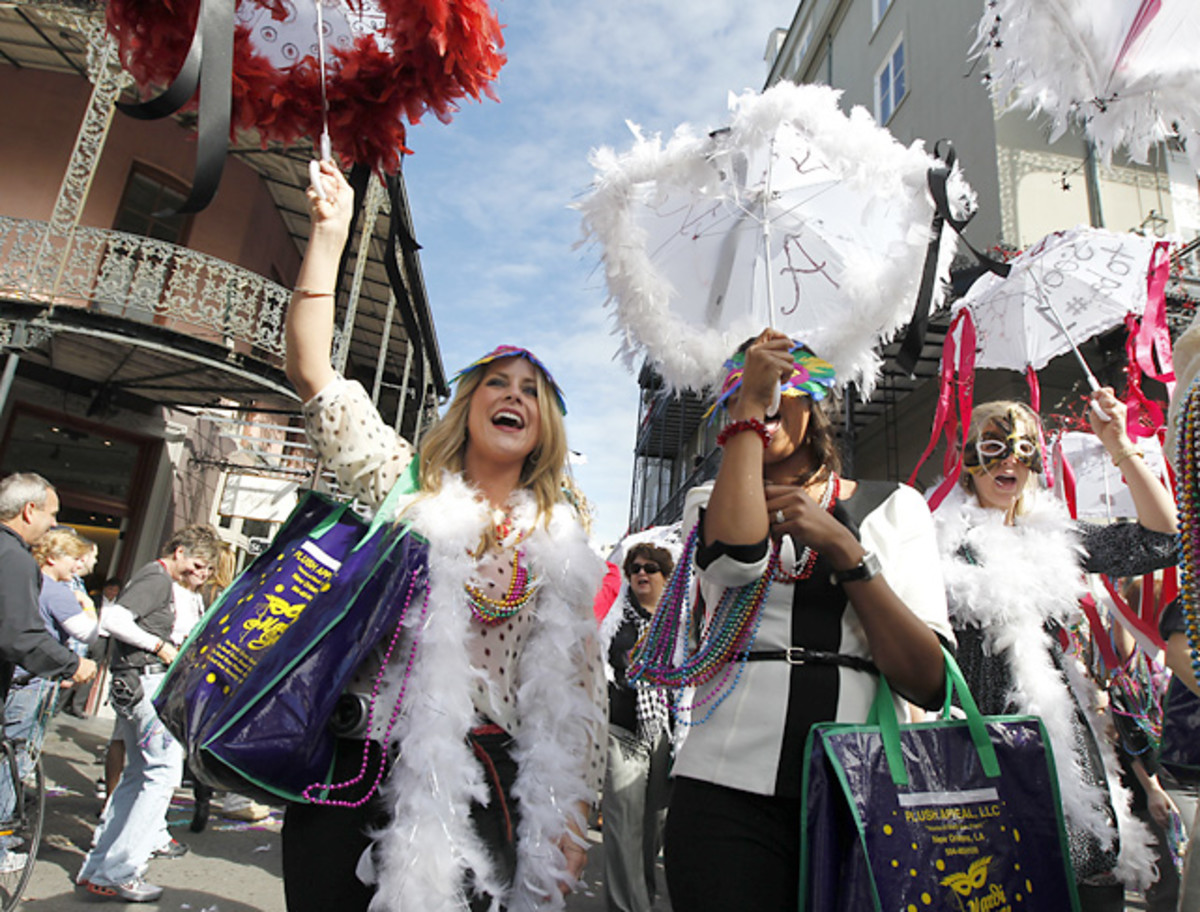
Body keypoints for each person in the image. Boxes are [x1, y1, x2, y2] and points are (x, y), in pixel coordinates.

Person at [280, 160, 606, 912]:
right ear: (470, 404)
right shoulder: (401, 485)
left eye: (532, 390)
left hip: (481, 788)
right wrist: (329, 233)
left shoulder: (560, 544)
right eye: (498, 381)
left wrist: (572, 823)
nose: (514, 396)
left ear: (544, 427)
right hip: (356, 766)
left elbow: (578, 702)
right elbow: (311, 371)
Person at [653, 330, 952, 912]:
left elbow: (928, 680)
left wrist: (848, 554)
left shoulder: (897, 506)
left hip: (860, 793)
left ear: (814, 401)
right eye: (742, 385)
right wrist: (750, 413)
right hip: (723, 792)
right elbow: (737, 562)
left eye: (776, 383)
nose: (762, 393)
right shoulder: (708, 503)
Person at [933, 394, 1177, 912]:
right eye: (995, 447)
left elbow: (1162, 541)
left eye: (1024, 449)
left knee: (1084, 860)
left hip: (1057, 729)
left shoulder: (1055, 535)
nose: (1010, 461)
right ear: (968, 458)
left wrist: (1118, 445)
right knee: (991, 876)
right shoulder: (936, 536)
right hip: (977, 723)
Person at [76, 524, 219, 903]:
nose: (201, 575)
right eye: (198, 565)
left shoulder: (163, 581)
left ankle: (101, 866)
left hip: (139, 685)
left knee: (139, 776)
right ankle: (119, 870)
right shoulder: (156, 578)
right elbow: (113, 620)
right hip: (149, 684)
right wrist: (160, 646)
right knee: (159, 775)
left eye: (207, 570)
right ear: (179, 553)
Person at [0, 474, 96, 875]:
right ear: (29, 511)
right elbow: (19, 632)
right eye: (51, 514)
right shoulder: (15, 557)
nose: (52, 524)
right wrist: (73, 665)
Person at [603, 542, 674, 912]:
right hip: (622, 730)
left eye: (650, 568)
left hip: (666, 732)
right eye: (635, 569)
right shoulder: (616, 619)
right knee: (623, 828)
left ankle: (643, 895)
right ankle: (627, 906)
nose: (641, 574)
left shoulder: (681, 620)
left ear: (666, 576)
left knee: (653, 827)